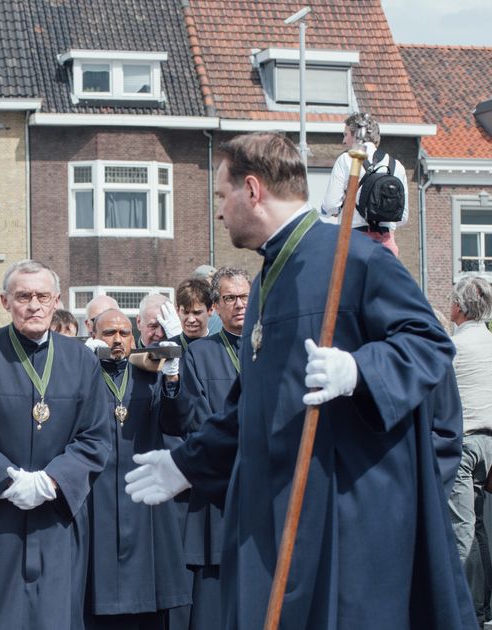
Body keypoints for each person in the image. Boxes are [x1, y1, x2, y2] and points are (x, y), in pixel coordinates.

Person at [124, 132, 474, 628]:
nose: (219, 212)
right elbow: (250, 407)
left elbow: (428, 342)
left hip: (343, 520)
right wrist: (188, 464)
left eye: (222, 196)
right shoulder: (267, 281)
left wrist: (360, 370)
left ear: (253, 189)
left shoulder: (356, 259)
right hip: (276, 519)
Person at [0, 259, 111, 630]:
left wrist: (51, 481)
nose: (34, 306)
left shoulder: (82, 361)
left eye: (43, 297)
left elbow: (95, 436)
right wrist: (8, 481)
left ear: (57, 301)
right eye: (23, 296)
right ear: (5, 301)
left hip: (54, 516)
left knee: (53, 616)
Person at [84, 309, 190, 629]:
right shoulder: (83, 374)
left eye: (124, 333)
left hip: (143, 494)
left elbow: (176, 423)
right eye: (109, 333)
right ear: (93, 336)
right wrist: (81, 367)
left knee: (147, 596)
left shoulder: (149, 375)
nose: (117, 340)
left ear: (134, 337)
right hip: (98, 495)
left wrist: (172, 378)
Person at [158, 267, 250, 630]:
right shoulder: (200, 353)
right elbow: (193, 420)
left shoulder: (273, 347)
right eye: (230, 298)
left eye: (245, 297)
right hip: (220, 493)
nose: (239, 305)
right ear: (216, 306)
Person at [447, 275, 492, 622]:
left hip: (463, 446)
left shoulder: (454, 346)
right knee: (477, 528)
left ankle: (467, 614)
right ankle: (482, 606)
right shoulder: (490, 343)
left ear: (460, 308)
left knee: (462, 529)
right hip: (489, 445)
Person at [320, 112, 407, 256]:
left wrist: (327, 211)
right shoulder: (396, 165)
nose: (344, 140)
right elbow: (403, 216)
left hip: (354, 242)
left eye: (346, 134)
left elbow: (330, 204)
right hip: (386, 246)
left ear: (357, 135)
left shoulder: (346, 159)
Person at [172, 279, 214, 348]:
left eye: (196, 313)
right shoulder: (165, 349)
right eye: (185, 312)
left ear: (210, 310)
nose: (191, 320)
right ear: (177, 311)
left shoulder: (222, 349)